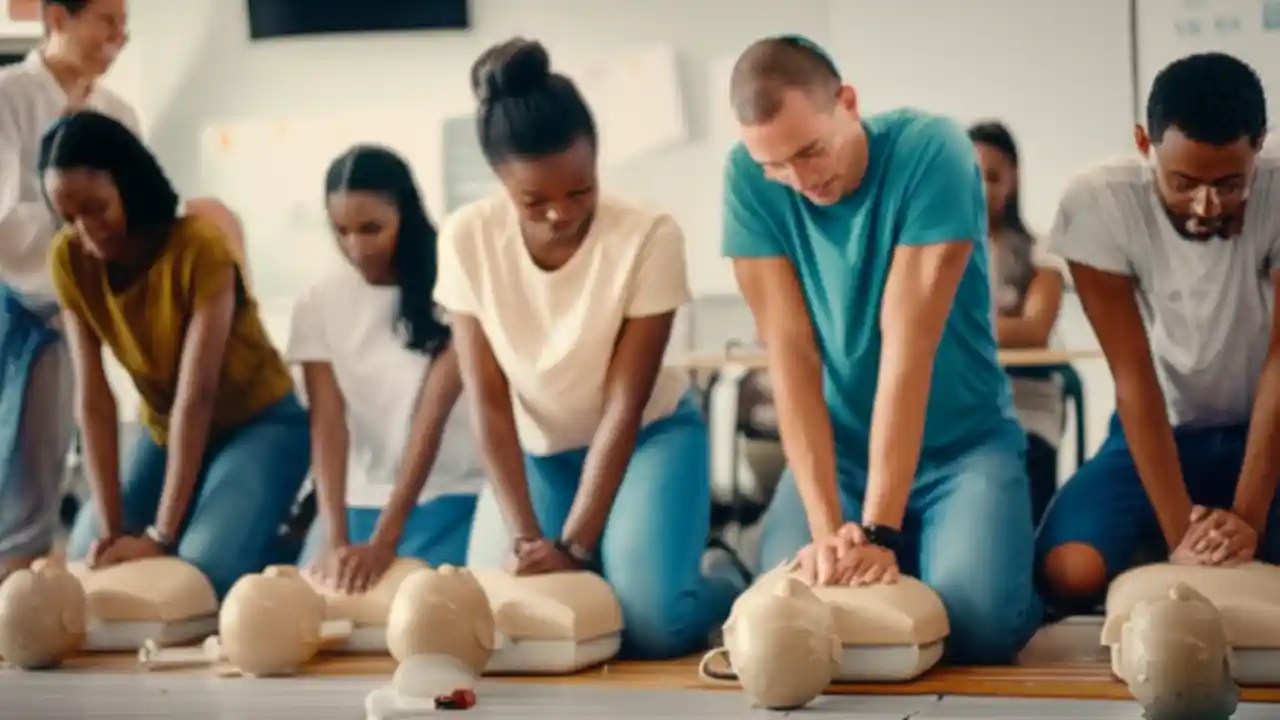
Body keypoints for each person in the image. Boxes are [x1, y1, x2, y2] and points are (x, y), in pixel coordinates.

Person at [721, 36, 1040, 664]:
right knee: (792, 604)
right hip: (840, 455)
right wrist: (829, 535)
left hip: (960, 448)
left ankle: (976, 561)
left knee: (978, 627)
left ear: (847, 102)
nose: (801, 180)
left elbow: (907, 346)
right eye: (776, 166)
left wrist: (876, 531)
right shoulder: (748, 176)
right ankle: (913, 556)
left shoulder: (935, 151)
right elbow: (790, 356)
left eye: (811, 151)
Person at [438, 38, 740, 660]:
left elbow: (623, 407)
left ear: (598, 158)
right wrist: (528, 542)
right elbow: (489, 404)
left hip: (647, 439)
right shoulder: (466, 237)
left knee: (653, 624)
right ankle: (617, 556)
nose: (560, 214)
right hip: (539, 451)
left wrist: (573, 547)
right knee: (504, 619)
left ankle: (725, 577)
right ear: (500, 181)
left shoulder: (649, 235)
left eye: (581, 191)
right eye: (534, 201)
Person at [1037, 52, 1280, 608]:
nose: (1206, 205)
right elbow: (1133, 376)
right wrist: (1183, 540)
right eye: (1184, 183)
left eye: (1229, 184)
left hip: (1264, 432)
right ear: (1144, 144)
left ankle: (1219, 517)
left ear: (1259, 146)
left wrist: (1247, 518)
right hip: (1156, 427)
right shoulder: (1097, 201)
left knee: (1256, 549)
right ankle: (1157, 533)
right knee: (1067, 571)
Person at [42, 111, 310, 599]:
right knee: (88, 555)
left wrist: (160, 535)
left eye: (97, 208)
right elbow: (95, 398)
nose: (87, 230)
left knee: (204, 567)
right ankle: (208, 514)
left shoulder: (198, 247)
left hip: (260, 420)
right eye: (69, 216)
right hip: (165, 425)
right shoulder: (68, 258)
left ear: (130, 183)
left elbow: (198, 394)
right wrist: (112, 528)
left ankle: (287, 535)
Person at [288, 145, 485, 593]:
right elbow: (328, 425)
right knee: (315, 601)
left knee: (421, 606)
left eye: (372, 229)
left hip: (451, 490)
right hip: (359, 497)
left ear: (405, 216)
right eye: (341, 231)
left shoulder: (455, 286)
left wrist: (385, 541)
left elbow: (427, 423)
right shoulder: (318, 302)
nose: (355, 248)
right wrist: (336, 538)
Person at [0, 0, 136, 581]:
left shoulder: (117, 111)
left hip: (83, 312)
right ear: (56, 17)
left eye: (124, 24)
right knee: (13, 483)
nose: (119, 35)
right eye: (105, 20)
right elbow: (7, 218)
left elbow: (137, 214)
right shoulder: (9, 96)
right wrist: (82, 226)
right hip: (19, 306)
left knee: (47, 480)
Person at [969, 121, 1066, 525]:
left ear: (1014, 179)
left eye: (992, 177)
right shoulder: (927, 254)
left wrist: (948, 327)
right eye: (971, 177)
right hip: (954, 403)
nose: (981, 189)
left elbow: (1034, 331)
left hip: (1024, 405)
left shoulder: (1042, 252)